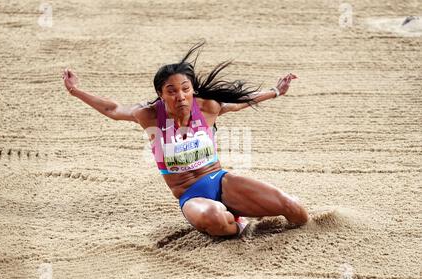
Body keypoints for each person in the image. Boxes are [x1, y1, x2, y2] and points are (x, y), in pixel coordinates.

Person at [62, 42, 309, 237]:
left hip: (221, 182)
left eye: (185, 88)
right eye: (171, 91)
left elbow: (239, 102)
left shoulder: (208, 107)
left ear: (192, 89)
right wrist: (75, 91)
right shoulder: (147, 115)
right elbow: (111, 110)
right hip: (191, 196)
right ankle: (238, 223)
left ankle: (233, 210)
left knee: (294, 209)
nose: (180, 96)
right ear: (161, 94)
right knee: (214, 217)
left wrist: (276, 91)